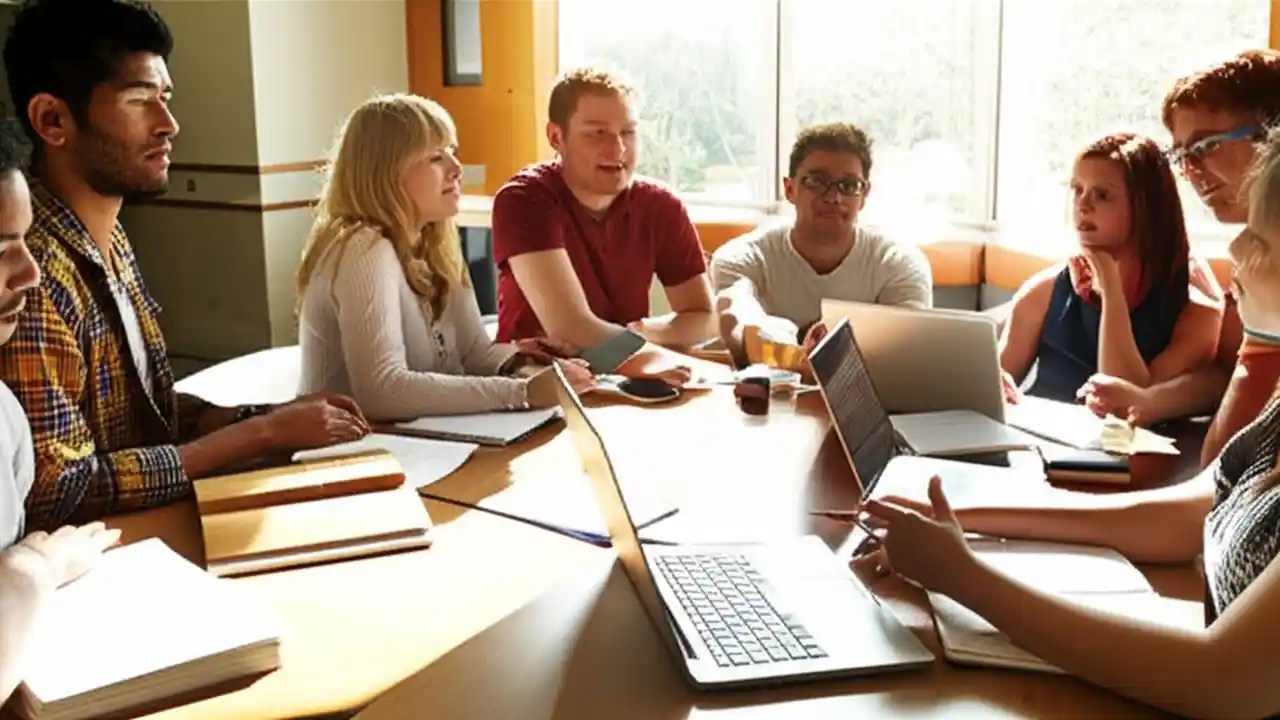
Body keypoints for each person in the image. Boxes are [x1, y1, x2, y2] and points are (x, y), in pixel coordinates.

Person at [861, 129, 1280, 719]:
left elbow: (1223, 680)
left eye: (1257, 237)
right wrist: (962, 524)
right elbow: (1180, 518)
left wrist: (965, 576)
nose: (1234, 254)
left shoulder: (1193, 307)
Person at [0, 0, 369, 532]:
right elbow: (62, 490)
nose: (169, 124)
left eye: (165, 98)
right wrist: (259, 435)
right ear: (52, 120)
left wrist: (264, 415)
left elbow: (138, 415)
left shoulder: (110, 239)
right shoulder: (32, 271)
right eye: (139, 100)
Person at [296, 94, 594, 419]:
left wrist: (523, 361)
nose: (456, 168)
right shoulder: (362, 247)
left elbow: (473, 353)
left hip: (421, 444)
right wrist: (522, 392)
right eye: (436, 157)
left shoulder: (433, 241)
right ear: (386, 172)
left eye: (451, 152)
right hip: (357, 456)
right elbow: (381, 391)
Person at [1079, 49, 1280, 465]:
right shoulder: (1253, 259)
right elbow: (1226, 373)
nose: (1190, 171)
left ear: (1272, 136)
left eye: (1205, 146)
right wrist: (1149, 402)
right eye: (1181, 156)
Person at [490, 67, 716, 385]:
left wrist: (643, 331)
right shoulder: (525, 198)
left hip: (624, 378)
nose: (618, 149)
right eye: (597, 133)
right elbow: (569, 328)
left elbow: (705, 318)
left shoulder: (661, 205)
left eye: (628, 132)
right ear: (557, 137)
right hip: (539, 383)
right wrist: (648, 357)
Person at [0, 115, 121, 709]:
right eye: (1, 250)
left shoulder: (4, 415)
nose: (29, 273)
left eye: (24, 242)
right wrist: (33, 567)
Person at [999, 132, 1221, 403]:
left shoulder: (1196, 311)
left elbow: (1125, 403)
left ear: (1146, 207)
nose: (1083, 204)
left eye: (1102, 195)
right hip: (1039, 440)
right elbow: (991, 386)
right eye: (1077, 189)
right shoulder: (1042, 292)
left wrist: (1110, 291)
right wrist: (996, 384)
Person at [712, 122, 931, 363]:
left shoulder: (899, 263)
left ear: (864, 195)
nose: (833, 198)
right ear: (789, 188)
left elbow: (906, 355)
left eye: (848, 186)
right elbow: (736, 315)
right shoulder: (742, 258)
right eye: (817, 181)